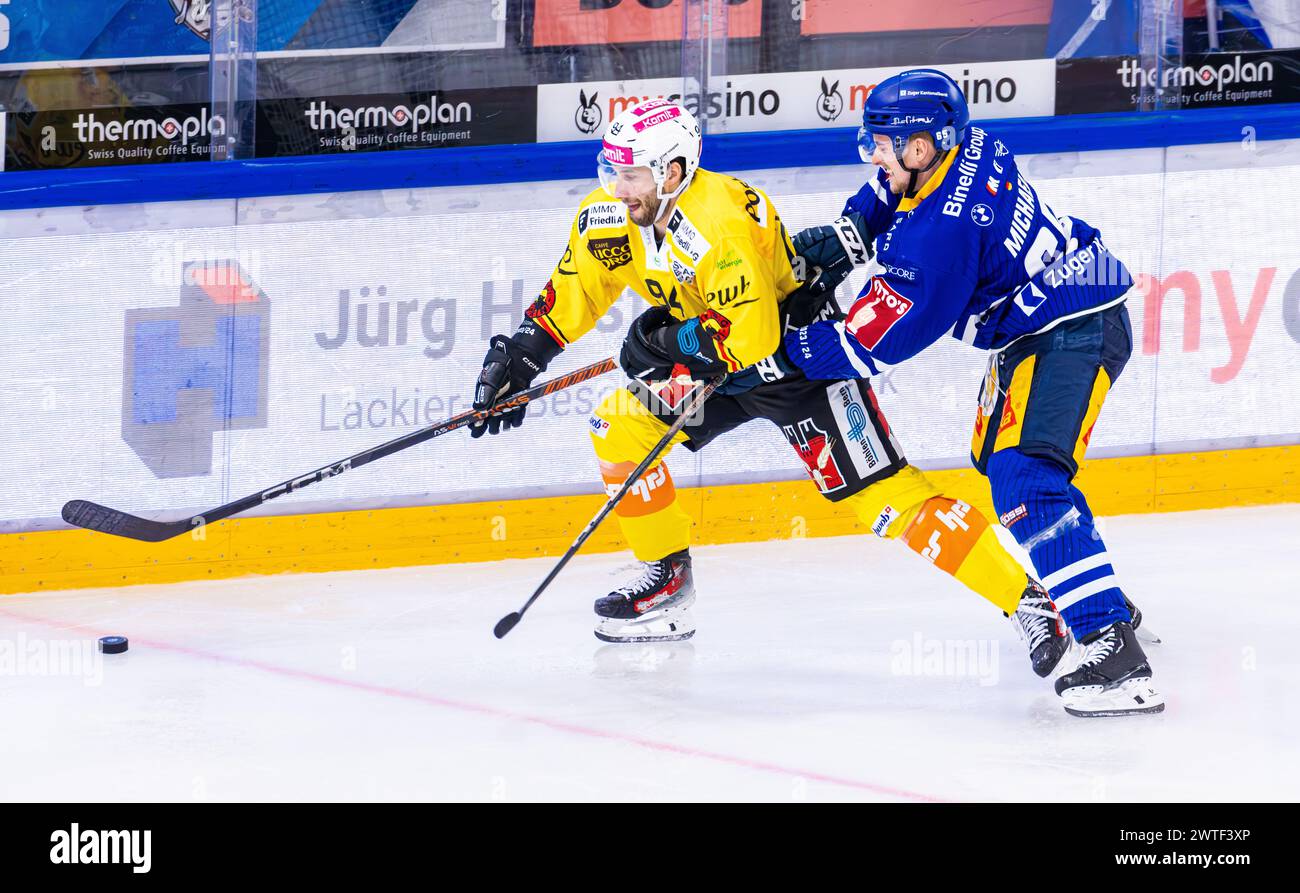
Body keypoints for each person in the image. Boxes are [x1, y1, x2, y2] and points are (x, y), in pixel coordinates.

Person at [470, 99, 1066, 678]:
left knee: (887, 503)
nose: (616, 188)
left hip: (797, 364)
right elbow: (576, 289)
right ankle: (666, 576)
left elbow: (751, 338)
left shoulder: (718, 221)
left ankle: (1029, 601)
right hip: (714, 370)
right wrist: (522, 356)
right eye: (612, 170)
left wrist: (663, 344)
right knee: (618, 422)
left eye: (631, 174)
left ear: (672, 171)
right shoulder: (610, 216)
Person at [781, 69, 1163, 717]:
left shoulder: (937, 240)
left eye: (881, 141)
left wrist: (785, 346)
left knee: (1025, 478)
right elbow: (886, 190)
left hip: (1069, 328)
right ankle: (1087, 591)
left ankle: (1113, 648)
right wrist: (851, 236)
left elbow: (871, 345)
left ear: (922, 146)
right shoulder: (969, 143)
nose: (873, 154)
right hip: (1055, 314)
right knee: (996, 460)